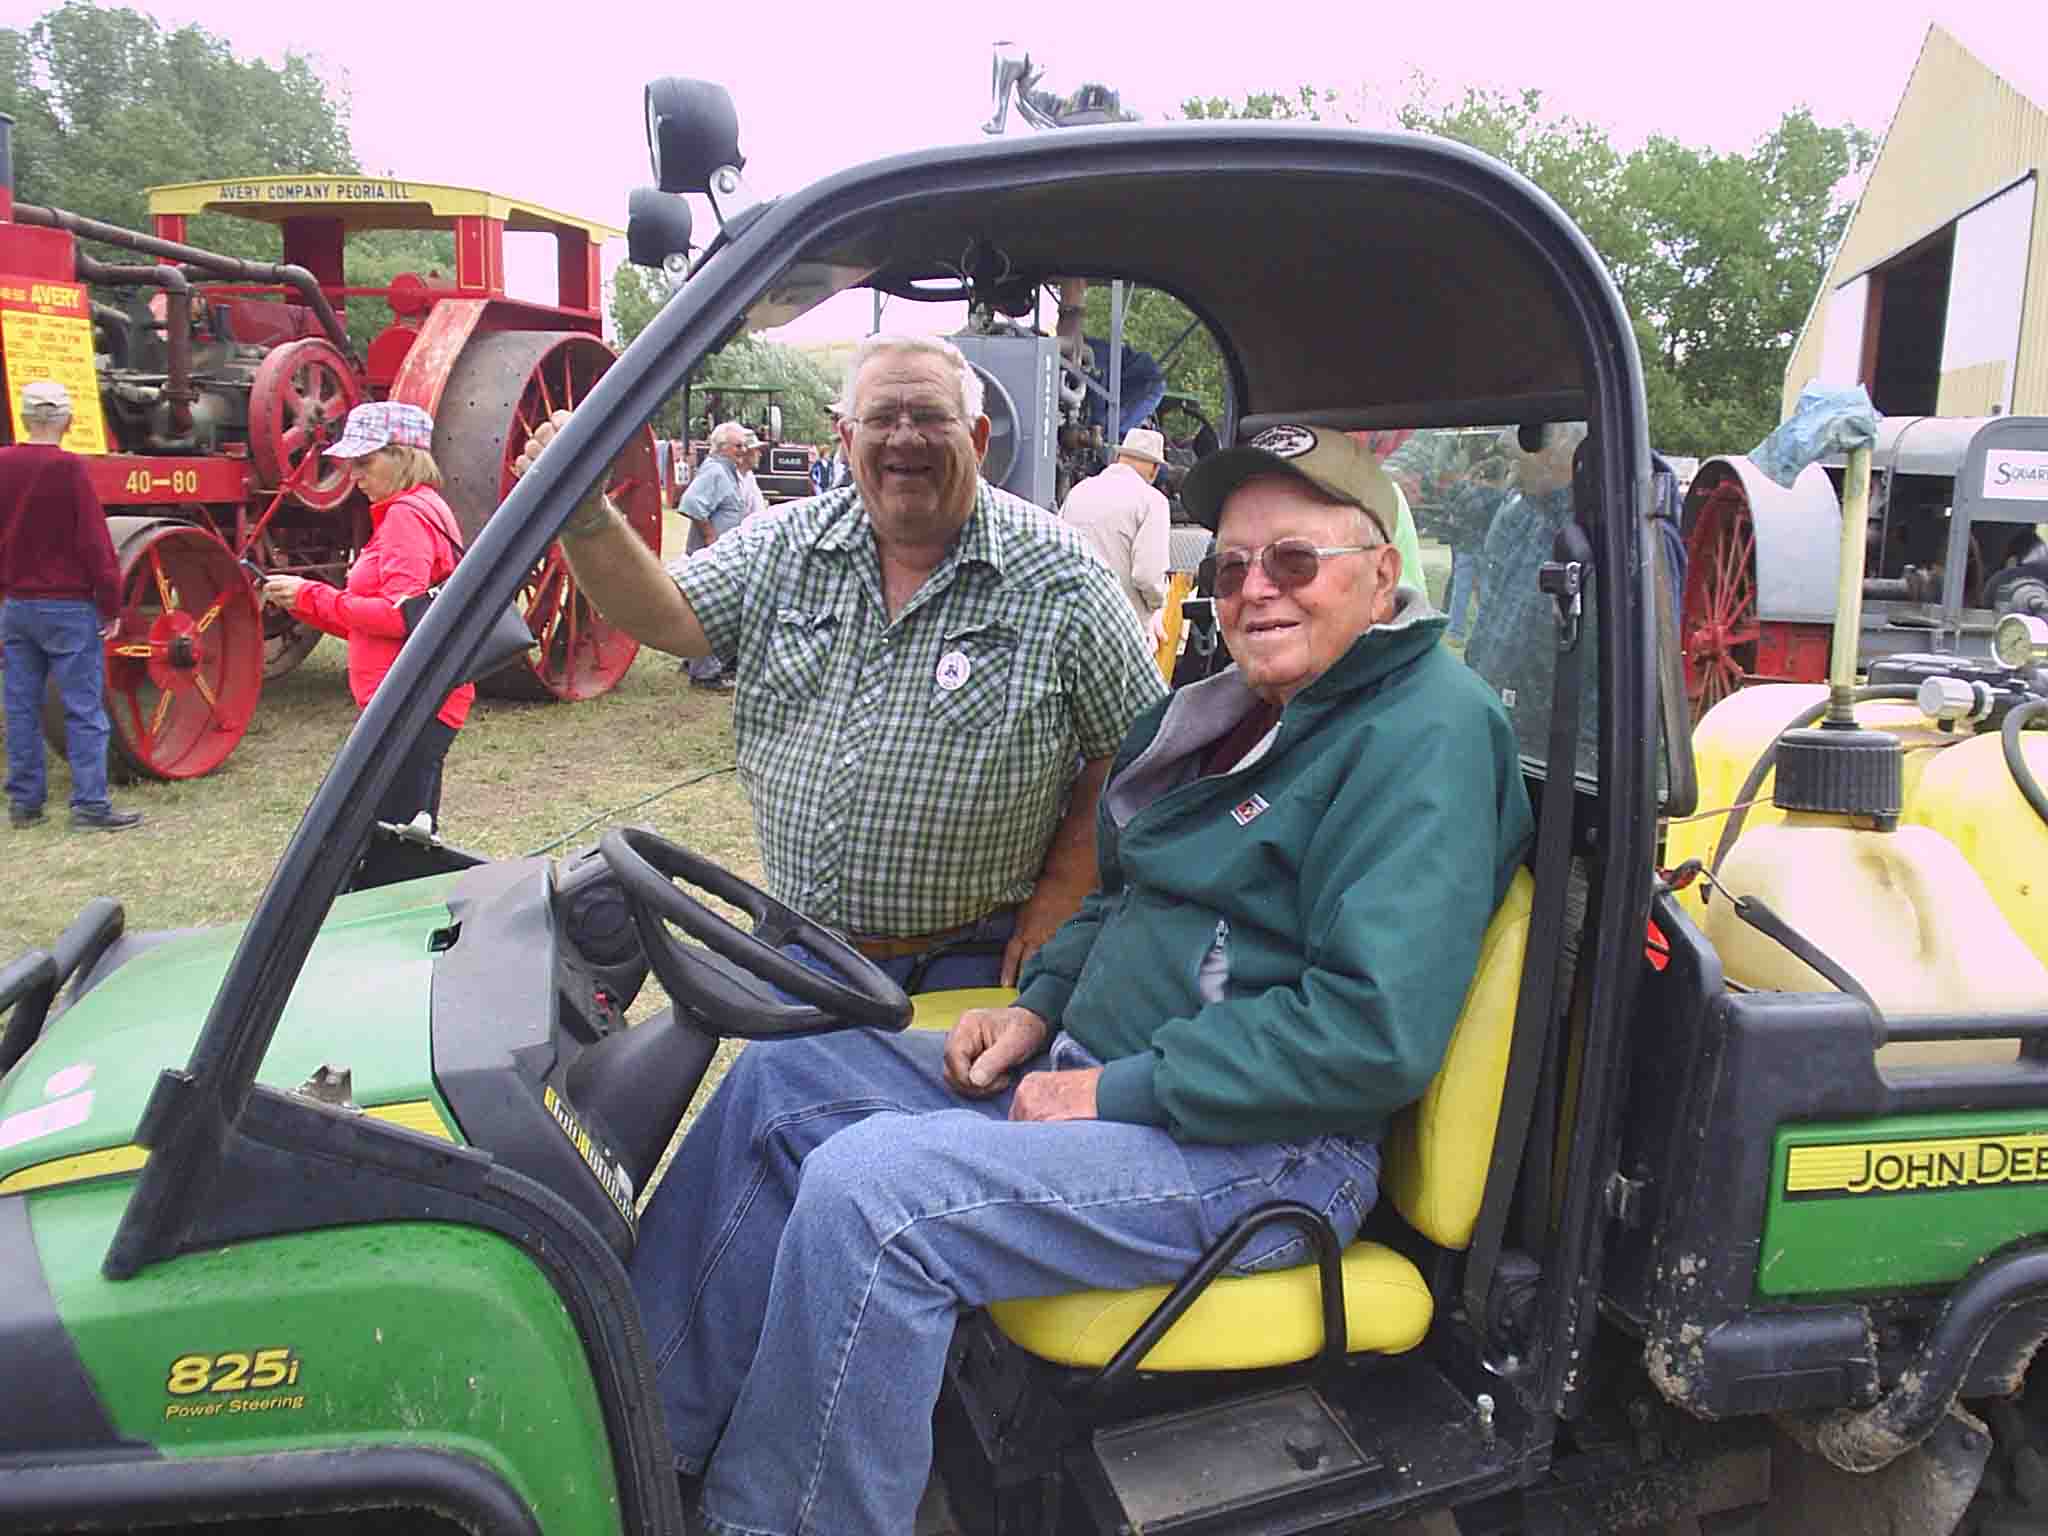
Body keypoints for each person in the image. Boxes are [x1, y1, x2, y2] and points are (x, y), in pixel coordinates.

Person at [627, 422, 1534, 1536]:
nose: (1257, 591)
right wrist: (1034, 1006)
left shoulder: (1426, 732)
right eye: (1234, 566)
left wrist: (1113, 1091)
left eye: (1293, 562)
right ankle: (643, 1441)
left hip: (1264, 1147)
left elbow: (1365, 1032)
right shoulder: (1247, 705)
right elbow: (1121, 888)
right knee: (784, 1080)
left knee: (875, 1193)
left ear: (1379, 573)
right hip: (1114, 1080)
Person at [515, 333, 1165, 989]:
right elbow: (667, 616)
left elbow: (1134, 748)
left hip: (974, 960)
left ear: (977, 436)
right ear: (847, 437)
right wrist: (585, 516)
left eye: (931, 417)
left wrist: (1063, 888)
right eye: (881, 418)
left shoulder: (1060, 573)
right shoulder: (781, 545)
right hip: (801, 951)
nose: (904, 438)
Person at [259, 402, 473, 834]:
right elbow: (382, 623)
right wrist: (304, 603)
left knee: (390, 837)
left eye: (364, 462)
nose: (354, 476)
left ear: (402, 457)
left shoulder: (404, 518)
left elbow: (397, 617)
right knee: (409, 832)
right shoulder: (426, 508)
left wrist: (311, 593)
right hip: (420, 697)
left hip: (406, 700)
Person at [0, 379, 142, 831]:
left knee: (20, 706)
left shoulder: (2, 463)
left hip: (15, 605)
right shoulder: (69, 469)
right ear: (68, 421)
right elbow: (95, 545)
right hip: (66, 606)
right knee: (83, 707)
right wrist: (112, 604)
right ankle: (90, 806)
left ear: (24, 419)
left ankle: (25, 804)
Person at [1464, 421, 1594, 762]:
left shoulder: (1618, 534)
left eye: (1523, 428)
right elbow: (1486, 636)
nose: (1504, 441)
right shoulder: (1516, 515)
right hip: (1493, 743)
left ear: (1566, 439)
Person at [1058, 425, 1172, 644]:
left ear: (1119, 456)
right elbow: (1147, 577)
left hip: (1070, 625)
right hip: (1119, 631)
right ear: (1154, 469)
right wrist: (1158, 606)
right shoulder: (1152, 501)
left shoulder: (1079, 491)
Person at [676, 421, 755, 690]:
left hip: (721, 554)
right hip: (713, 555)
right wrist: (710, 537)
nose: (743, 450)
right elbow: (691, 504)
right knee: (708, 608)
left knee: (704, 609)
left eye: (744, 445)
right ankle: (704, 674)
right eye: (738, 446)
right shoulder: (715, 472)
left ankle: (694, 660)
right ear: (722, 448)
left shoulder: (726, 471)